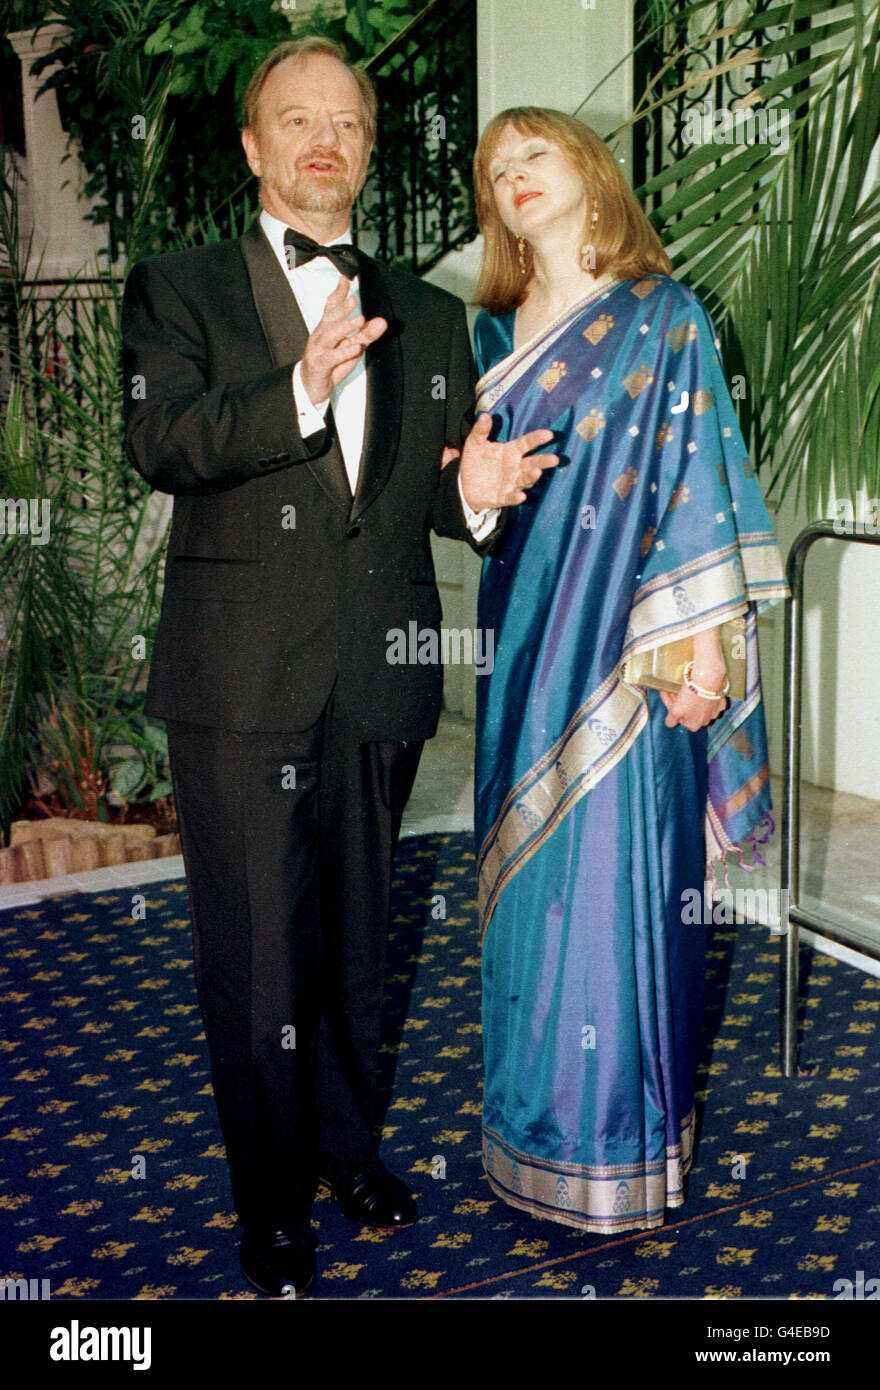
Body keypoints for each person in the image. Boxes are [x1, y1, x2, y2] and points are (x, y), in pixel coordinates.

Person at [121, 42, 557, 1296]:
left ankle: (347, 1151)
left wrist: (470, 496)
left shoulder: (428, 314)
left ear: (368, 147)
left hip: (378, 678)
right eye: (295, 120)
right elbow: (164, 437)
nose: (325, 139)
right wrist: (297, 390)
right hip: (239, 684)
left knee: (363, 945)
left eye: (348, 122)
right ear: (253, 148)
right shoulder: (181, 287)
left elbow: (424, 489)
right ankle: (269, 1203)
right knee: (260, 954)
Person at [468, 108, 788, 1233]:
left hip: (632, 660)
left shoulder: (666, 316)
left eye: (535, 157)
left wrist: (703, 650)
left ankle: (615, 1153)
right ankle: (529, 1141)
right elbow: (481, 503)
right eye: (497, 170)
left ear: (590, 173)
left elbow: (700, 484)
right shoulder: (485, 331)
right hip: (520, 649)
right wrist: (471, 492)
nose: (514, 180)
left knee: (612, 900)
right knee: (525, 903)